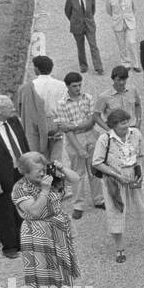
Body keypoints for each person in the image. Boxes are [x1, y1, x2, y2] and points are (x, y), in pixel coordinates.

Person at [12, 152, 82, 288]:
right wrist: (44, 190)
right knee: (36, 275)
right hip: (36, 231)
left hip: (57, 227)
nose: (42, 174)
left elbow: (76, 179)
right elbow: (34, 211)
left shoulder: (51, 176)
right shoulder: (20, 188)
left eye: (43, 169)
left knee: (60, 268)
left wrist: (61, 168)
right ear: (25, 173)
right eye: (37, 171)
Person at [91, 108, 144, 263]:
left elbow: (142, 154)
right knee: (116, 212)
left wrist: (140, 172)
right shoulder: (105, 139)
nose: (126, 126)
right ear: (113, 125)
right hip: (114, 179)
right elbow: (97, 162)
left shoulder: (135, 134)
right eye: (122, 123)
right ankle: (120, 249)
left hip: (134, 175)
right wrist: (117, 176)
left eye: (127, 122)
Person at [53, 72, 104, 218]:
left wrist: (72, 126)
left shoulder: (87, 98)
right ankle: (78, 205)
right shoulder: (62, 104)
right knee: (77, 172)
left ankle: (99, 199)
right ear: (67, 86)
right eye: (75, 86)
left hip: (91, 134)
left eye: (79, 85)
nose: (78, 88)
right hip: (74, 139)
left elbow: (92, 120)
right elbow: (66, 131)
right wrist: (79, 148)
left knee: (95, 169)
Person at [0, 96, 29, 261]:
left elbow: (24, 144)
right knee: (6, 211)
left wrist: (30, 166)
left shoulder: (14, 121)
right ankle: (10, 246)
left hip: (20, 171)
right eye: (10, 107)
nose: (13, 109)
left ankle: (24, 242)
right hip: (1, 177)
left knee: (23, 206)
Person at [64, 0, 103, 75]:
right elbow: (67, 12)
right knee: (80, 46)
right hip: (77, 27)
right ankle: (83, 66)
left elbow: (92, 11)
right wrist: (75, 21)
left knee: (93, 46)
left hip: (89, 25)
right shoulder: (70, 0)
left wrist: (88, 20)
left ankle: (98, 67)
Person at [93, 66, 142, 134]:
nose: (122, 82)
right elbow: (96, 116)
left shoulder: (132, 90)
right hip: (116, 131)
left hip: (132, 128)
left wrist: (138, 121)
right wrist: (109, 130)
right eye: (118, 80)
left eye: (124, 79)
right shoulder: (104, 97)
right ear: (113, 79)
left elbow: (137, 105)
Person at [105, 0, 138, 70]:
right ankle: (126, 63)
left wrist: (130, 17)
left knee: (132, 42)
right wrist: (116, 17)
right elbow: (109, 11)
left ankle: (136, 64)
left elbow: (134, 8)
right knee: (121, 44)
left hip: (129, 21)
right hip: (118, 22)